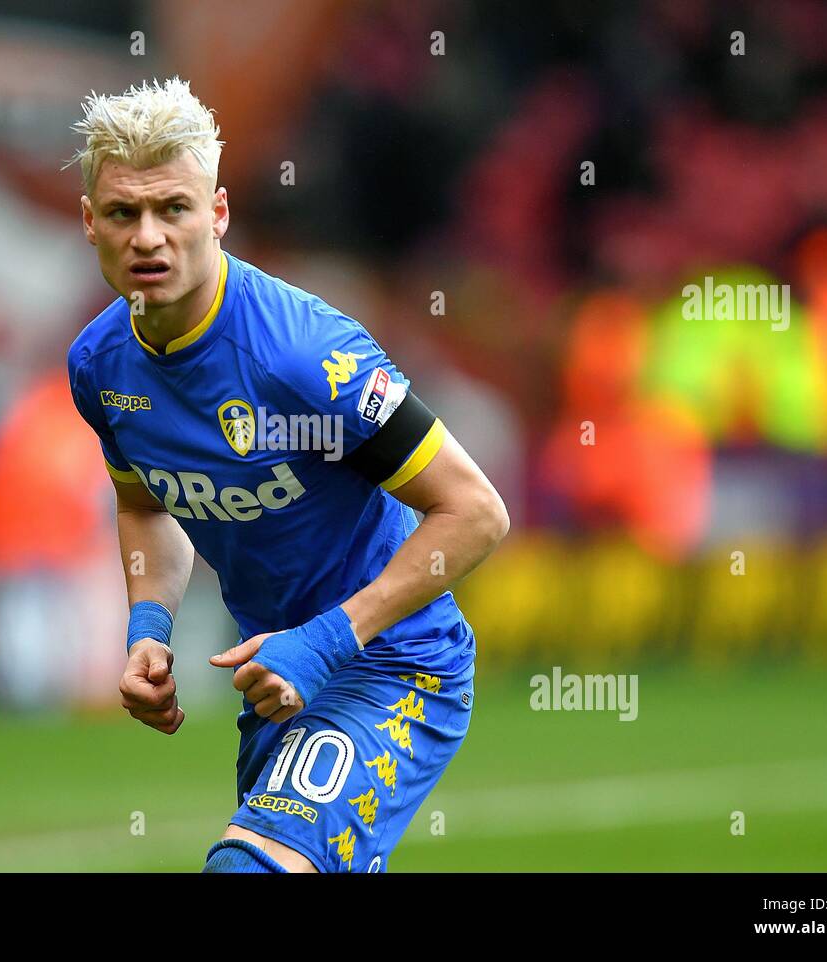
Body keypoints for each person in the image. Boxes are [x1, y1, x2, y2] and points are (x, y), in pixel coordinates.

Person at [66, 77, 509, 873]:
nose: (149, 237)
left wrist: (331, 638)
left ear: (219, 215)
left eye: (174, 208)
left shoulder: (303, 356)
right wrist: (148, 628)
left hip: (393, 666)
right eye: (125, 213)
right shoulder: (99, 365)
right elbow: (144, 506)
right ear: (90, 223)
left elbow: (475, 512)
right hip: (276, 680)